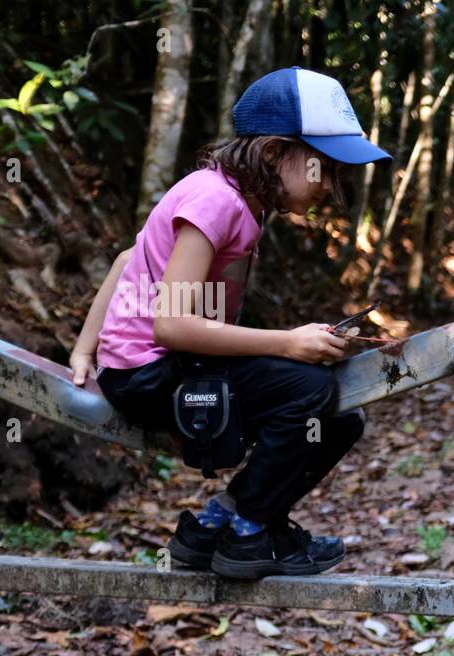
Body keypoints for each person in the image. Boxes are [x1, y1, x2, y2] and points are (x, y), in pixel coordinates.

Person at [69, 67, 392, 580]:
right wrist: (287, 344)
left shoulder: (240, 203)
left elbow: (127, 258)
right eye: (323, 168)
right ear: (272, 153)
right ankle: (246, 535)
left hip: (170, 363)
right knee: (308, 391)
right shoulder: (214, 200)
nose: (330, 187)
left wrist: (86, 347)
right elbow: (171, 326)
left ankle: (224, 523)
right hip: (148, 374)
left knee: (343, 412)